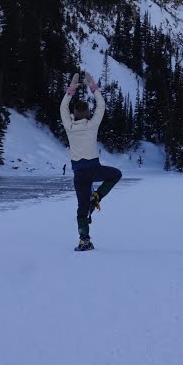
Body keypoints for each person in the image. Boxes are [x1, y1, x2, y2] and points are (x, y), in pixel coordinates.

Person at [62, 72, 119, 251]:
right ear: (87, 114)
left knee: (82, 206)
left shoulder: (69, 127)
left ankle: (84, 240)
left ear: (74, 114)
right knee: (116, 175)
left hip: (79, 174)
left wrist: (71, 90)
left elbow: (63, 108)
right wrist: (92, 87)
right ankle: (96, 197)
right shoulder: (92, 125)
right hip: (95, 170)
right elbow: (101, 105)